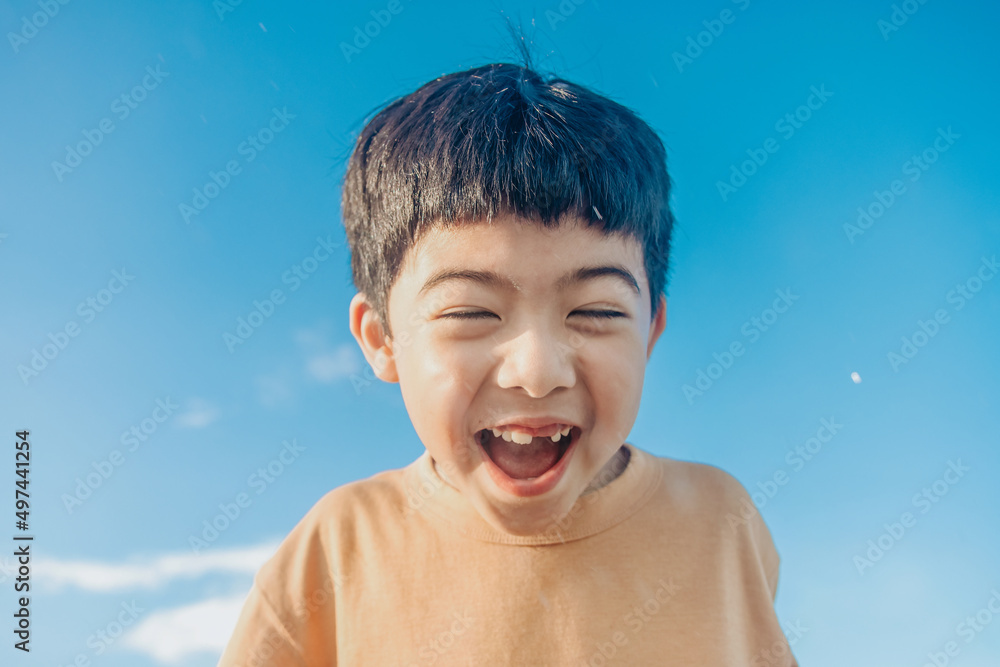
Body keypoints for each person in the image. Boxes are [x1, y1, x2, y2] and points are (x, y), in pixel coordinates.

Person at [218, 56, 798, 666]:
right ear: (382, 338)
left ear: (650, 330)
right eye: (470, 312)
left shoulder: (719, 519)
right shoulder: (335, 551)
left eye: (596, 312)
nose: (539, 370)